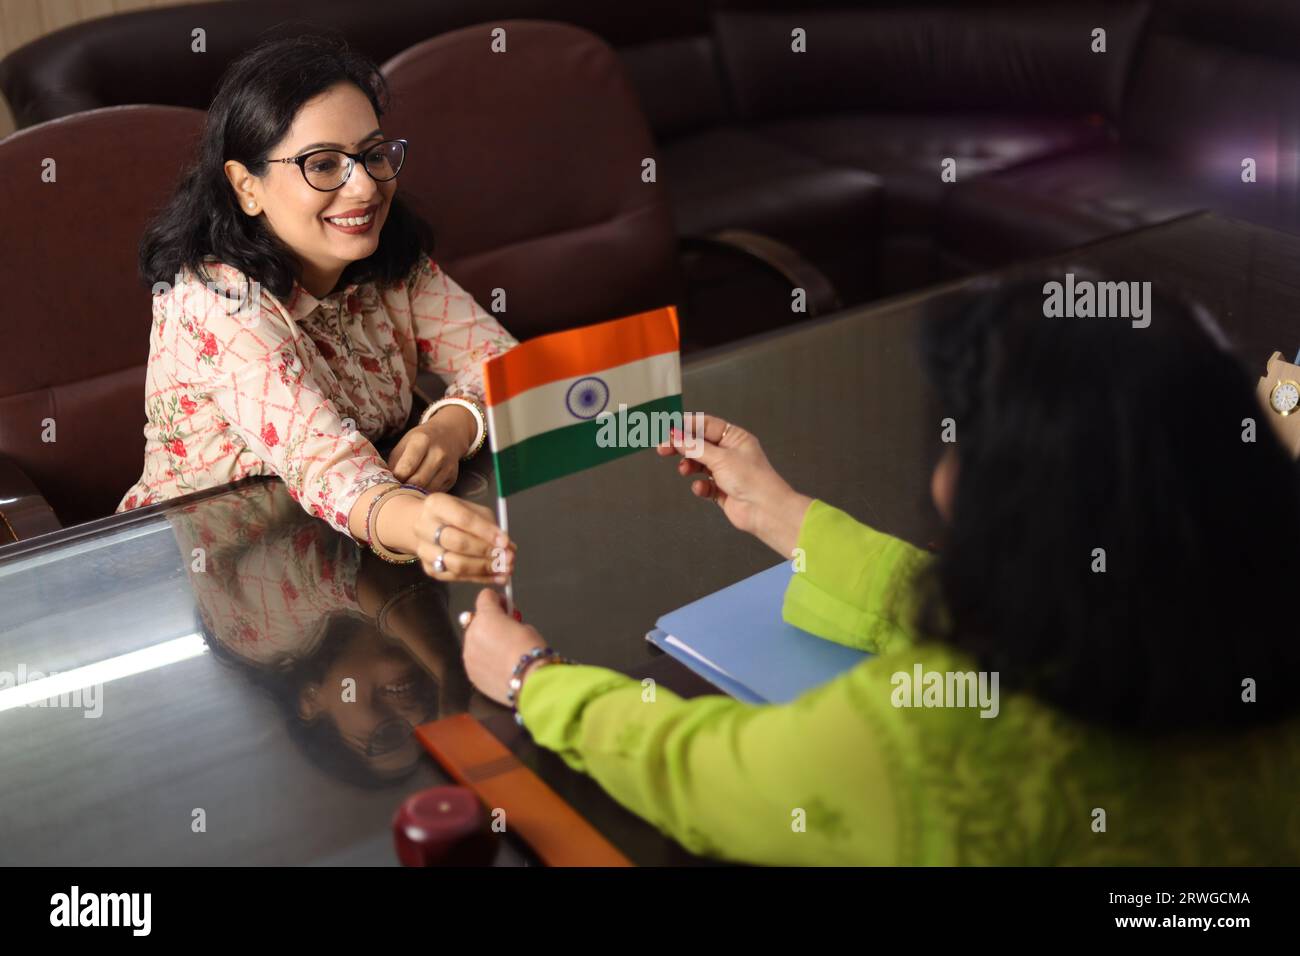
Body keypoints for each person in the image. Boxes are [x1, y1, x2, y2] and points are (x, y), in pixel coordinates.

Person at [449, 275, 1300, 865]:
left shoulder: (944, 749)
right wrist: (784, 514)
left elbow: (705, 774)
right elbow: (1019, 608)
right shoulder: (1241, 613)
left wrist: (536, 680)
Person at [117, 34, 515, 583]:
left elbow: (501, 361)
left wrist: (451, 425)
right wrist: (426, 526)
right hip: (226, 577)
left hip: (353, 556)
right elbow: (327, 466)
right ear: (245, 186)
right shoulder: (213, 300)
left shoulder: (388, 255)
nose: (364, 188)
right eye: (323, 164)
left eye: (374, 155)